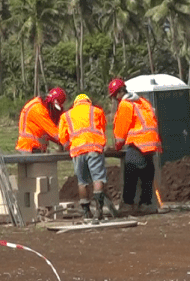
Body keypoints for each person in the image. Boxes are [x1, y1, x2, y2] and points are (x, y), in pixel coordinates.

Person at [109, 77, 162, 214]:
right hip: (151, 144)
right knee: (147, 175)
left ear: (119, 93)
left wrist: (117, 147)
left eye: (114, 96)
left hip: (138, 143)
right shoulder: (143, 101)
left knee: (130, 173)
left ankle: (128, 204)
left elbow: (121, 132)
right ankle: (147, 205)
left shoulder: (125, 105)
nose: (115, 99)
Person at [58, 93, 111, 220]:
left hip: (77, 151)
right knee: (98, 179)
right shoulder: (97, 111)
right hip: (94, 148)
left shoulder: (66, 115)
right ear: (88, 102)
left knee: (82, 182)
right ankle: (99, 210)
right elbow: (102, 128)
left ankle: (86, 212)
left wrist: (68, 146)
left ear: (75, 103)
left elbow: (62, 138)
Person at [16, 87, 66, 153]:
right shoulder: (38, 110)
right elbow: (54, 133)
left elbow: (49, 134)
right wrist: (68, 142)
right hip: (29, 148)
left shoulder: (40, 106)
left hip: (34, 148)